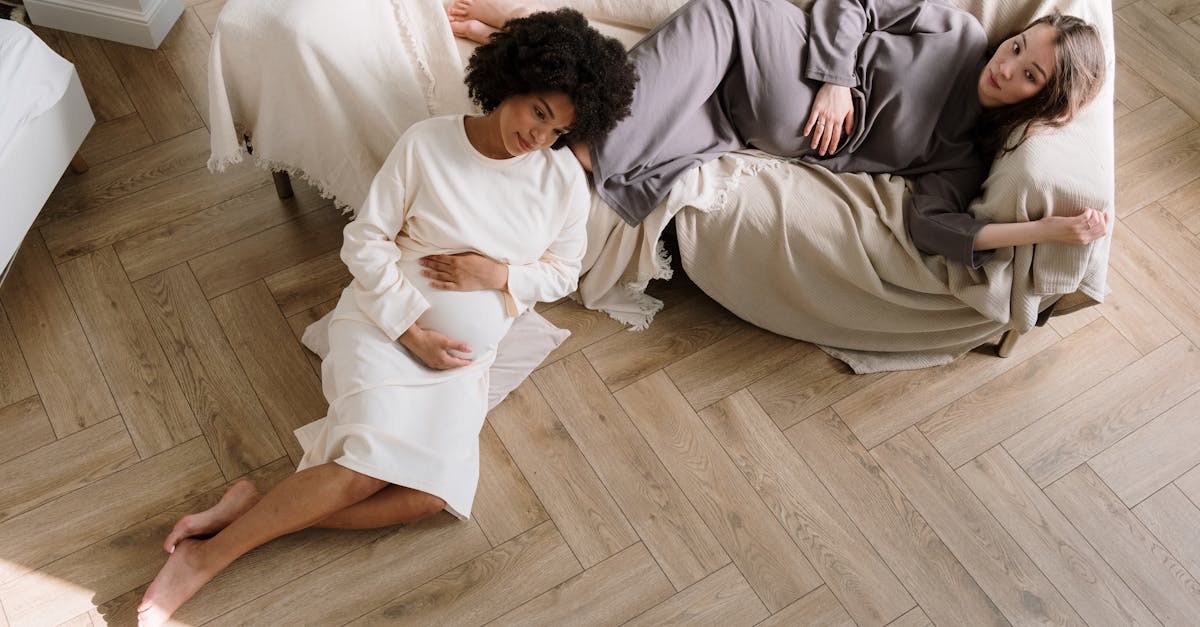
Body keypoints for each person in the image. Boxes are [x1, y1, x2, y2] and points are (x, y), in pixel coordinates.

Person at [135, 9, 636, 626]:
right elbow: (365, 243)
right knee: (361, 470)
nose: (539, 137)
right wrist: (410, 330)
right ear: (511, 82)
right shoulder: (427, 144)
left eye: (558, 128)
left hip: (458, 365)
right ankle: (205, 560)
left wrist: (497, 275)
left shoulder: (559, 180)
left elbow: (562, 273)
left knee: (426, 498)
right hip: (384, 328)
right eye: (537, 111)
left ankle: (251, 508)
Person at [449, 0, 1110, 268]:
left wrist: (1043, 232)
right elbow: (855, 3)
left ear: (1040, 102)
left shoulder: (962, 154)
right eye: (1019, 47)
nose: (1007, 65)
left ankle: (560, 148)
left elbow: (934, 228)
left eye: (1028, 76)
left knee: (718, 13)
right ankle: (551, 145)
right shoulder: (959, 31)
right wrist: (836, 79)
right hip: (793, 56)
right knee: (695, 40)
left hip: (771, 104)